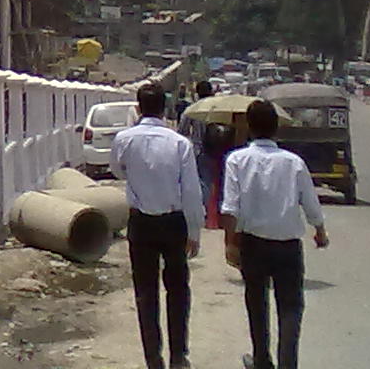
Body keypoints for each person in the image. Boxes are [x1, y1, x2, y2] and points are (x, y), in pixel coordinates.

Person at [221, 99, 328, 369]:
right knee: (290, 307)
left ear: (249, 128)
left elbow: (230, 206)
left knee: (256, 304)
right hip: (288, 246)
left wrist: (229, 244)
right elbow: (310, 202)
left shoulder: (237, 160)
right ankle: (288, 363)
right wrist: (319, 230)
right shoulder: (294, 163)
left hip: (253, 244)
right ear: (276, 128)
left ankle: (261, 360)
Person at [110, 83, 201, 369]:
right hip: (174, 223)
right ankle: (178, 355)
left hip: (141, 223)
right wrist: (194, 231)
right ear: (165, 109)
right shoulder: (179, 143)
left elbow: (116, 169)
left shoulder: (124, 139)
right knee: (178, 290)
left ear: (138, 108)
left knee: (145, 292)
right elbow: (191, 191)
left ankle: (153, 358)